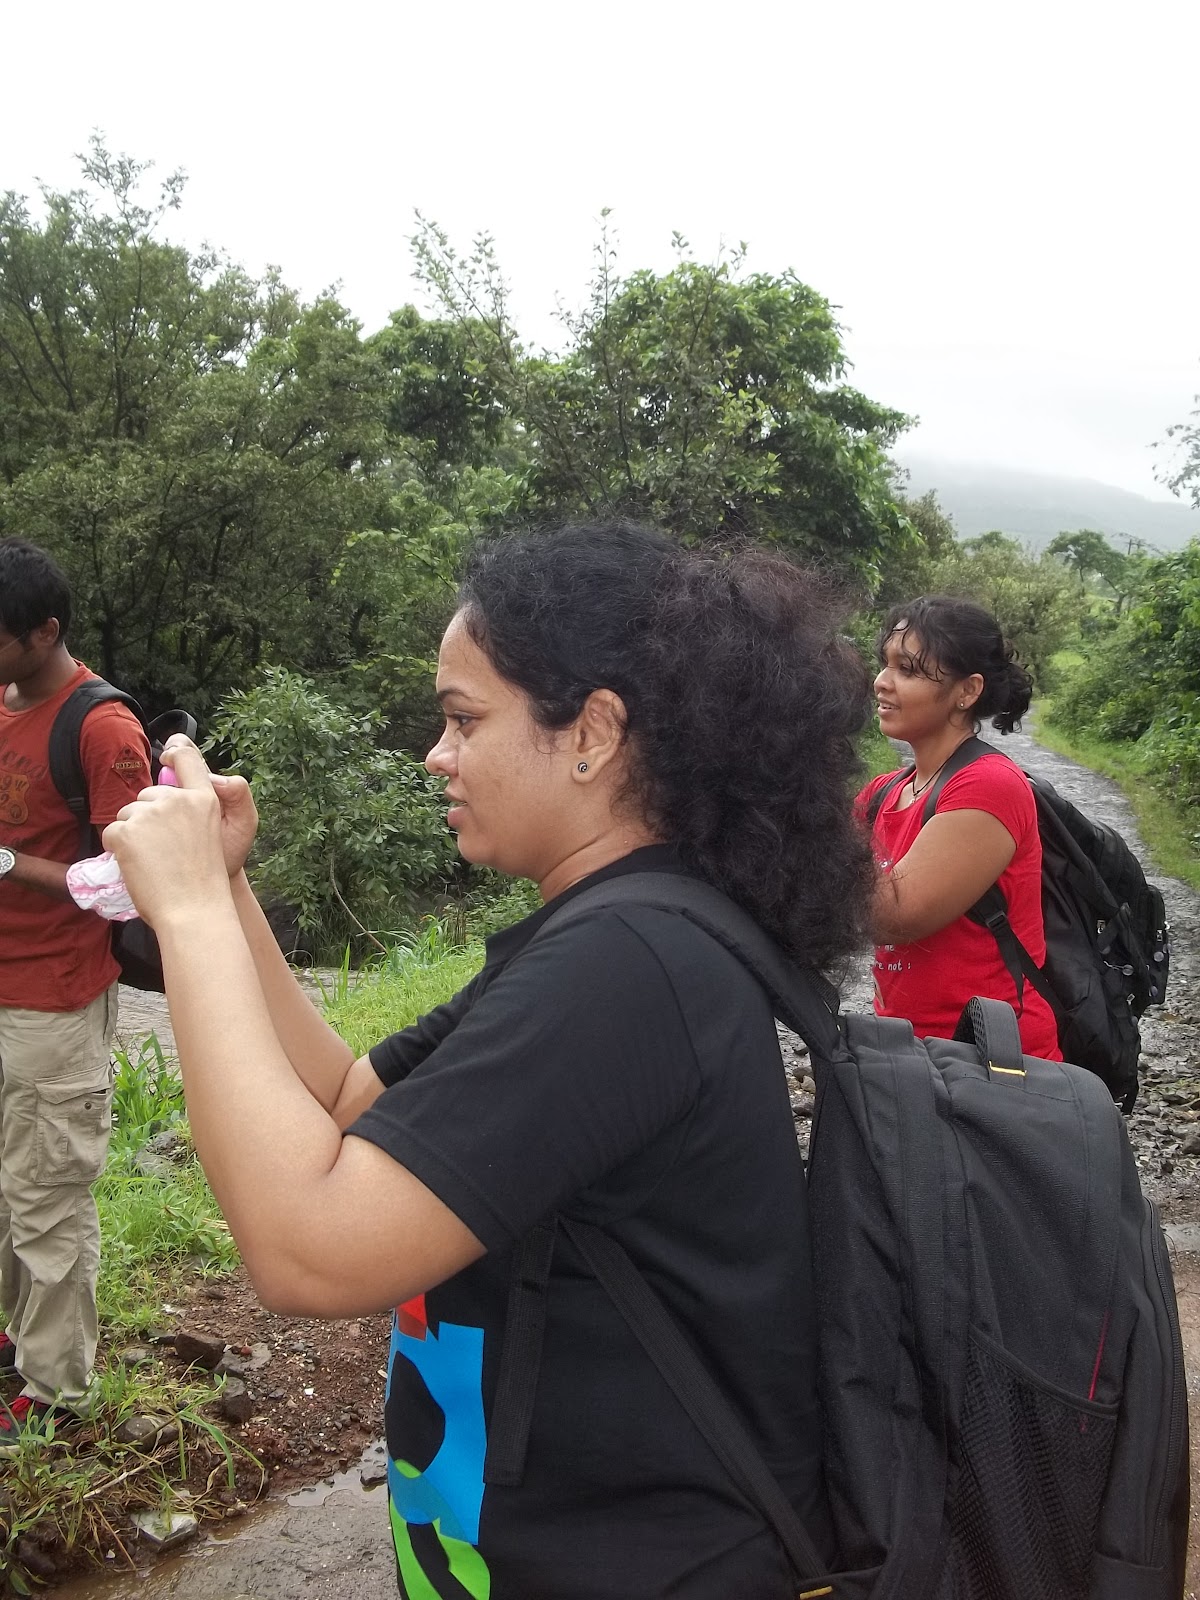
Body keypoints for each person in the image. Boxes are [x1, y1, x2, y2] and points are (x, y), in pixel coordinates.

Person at [104, 520, 875, 1599]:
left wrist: (182, 914)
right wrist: (227, 887)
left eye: (465, 718)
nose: (437, 753)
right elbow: (339, 1100)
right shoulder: (604, 931)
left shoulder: (632, 961)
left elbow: (309, 1252)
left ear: (593, 733)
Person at [0, 538, 152, 1448]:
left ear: (43, 632)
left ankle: (56, 1396)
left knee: (48, 1197)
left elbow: (131, 880)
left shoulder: (102, 728)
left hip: (54, 998)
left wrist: (10, 864)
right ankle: (15, 1343)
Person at [857, 594, 1060, 1059]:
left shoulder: (988, 785)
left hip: (992, 1061)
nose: (881, 683)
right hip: (909, 1050)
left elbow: (895, 913)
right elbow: (813, 856)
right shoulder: (884, 791)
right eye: (884, 664)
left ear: (966, 691)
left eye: (906, 670)